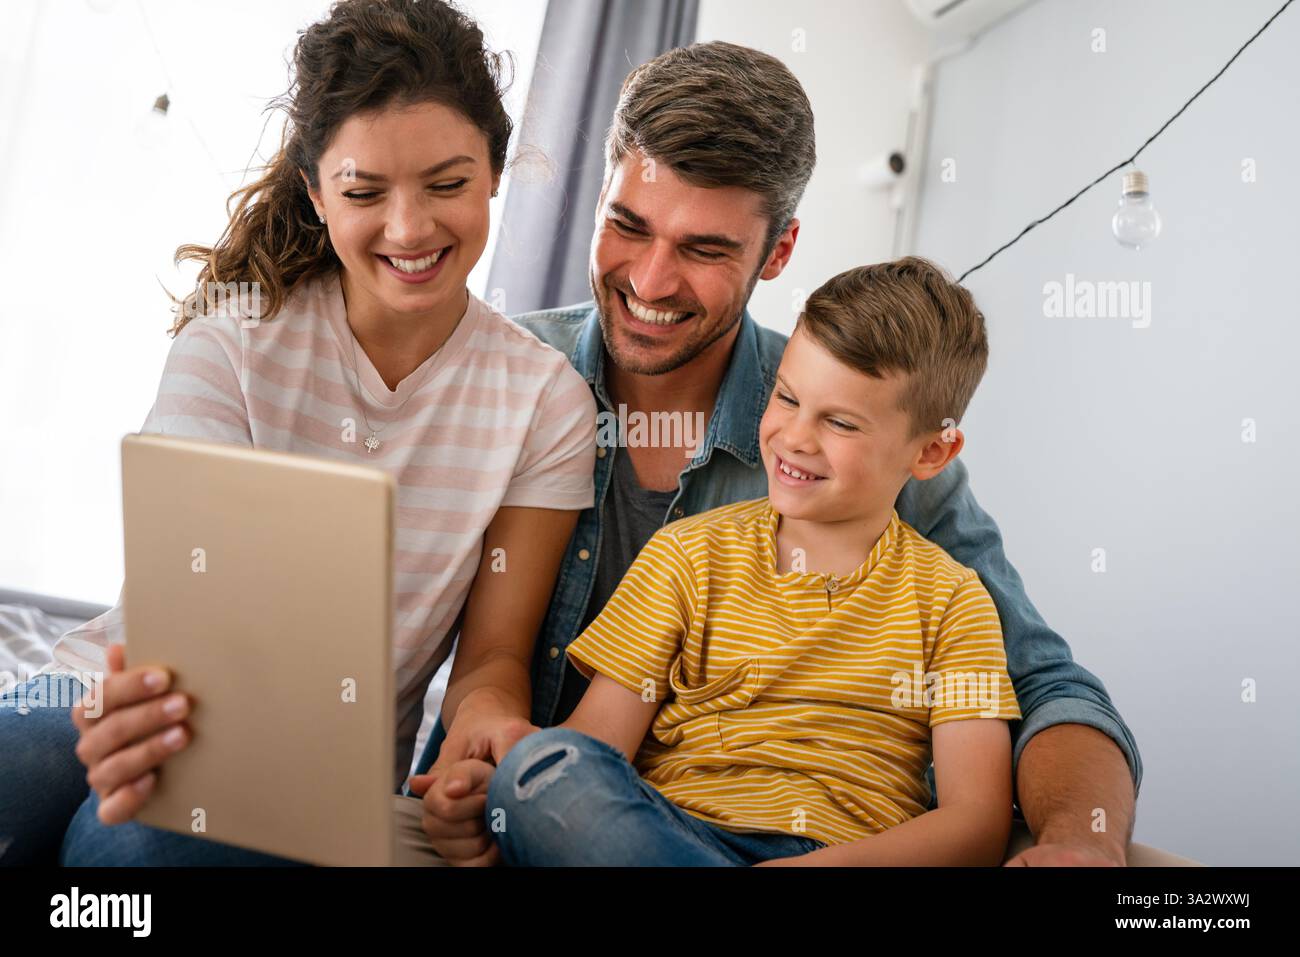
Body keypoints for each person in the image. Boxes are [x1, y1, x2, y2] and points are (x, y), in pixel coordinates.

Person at [413, 42, 1143, 868]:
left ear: (779, 251)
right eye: (628, 225)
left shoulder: (900, 480)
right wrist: (488, 760)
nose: (650, 281)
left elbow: (1047, 687)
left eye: (704, 249)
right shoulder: (500, 381)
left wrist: (1081, 841)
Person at [0, 0, 594, 866]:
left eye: (448, 183)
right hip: (134, 688)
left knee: (126, 852)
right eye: (364, 192)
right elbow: (186, 618)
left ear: (496, 172)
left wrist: (486, 725)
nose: (411, 228)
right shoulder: (232, 342)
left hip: (307, 759)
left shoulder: (543, 401)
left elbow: (494, 654)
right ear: (316, 192)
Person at [487, 258, 1022, 865]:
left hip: (841, 855)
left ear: (931, 451)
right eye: (787, 398)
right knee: (536, 769)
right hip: (671, 835)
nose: (795, 437)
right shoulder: (686, 556)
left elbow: (975, 823)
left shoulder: (955, 601)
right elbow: (592, 747)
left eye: (840, 422)